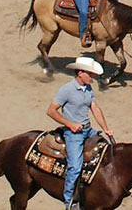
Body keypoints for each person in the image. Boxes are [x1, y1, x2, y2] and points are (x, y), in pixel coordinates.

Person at [48, 57, 115, 210]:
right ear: (80, 73)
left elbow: (95, 109)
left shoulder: (88, 89)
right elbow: (51, 111)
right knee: (75, 166)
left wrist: (105, 128)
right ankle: (69, 202)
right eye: (89, 74)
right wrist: (70, 124)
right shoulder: (67, 90)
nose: (92, 77)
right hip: (73, 134)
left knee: (107, 150)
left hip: (88, 129)